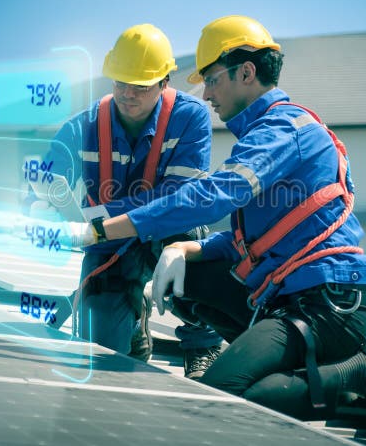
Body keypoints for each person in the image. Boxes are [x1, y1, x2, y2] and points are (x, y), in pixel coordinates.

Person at [65, 16, 366, 444]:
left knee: (221, 397)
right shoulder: (262, 132)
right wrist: (187, 251)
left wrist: (102, 230)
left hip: (327, 307)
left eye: (213, 80)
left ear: (247, 73)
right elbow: (248, 242)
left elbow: (211, 196)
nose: (206, 93)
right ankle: (278, 362)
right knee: (186, 275)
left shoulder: (282, 129)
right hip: (285, 299)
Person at [26, 23, 222, 368]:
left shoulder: (190, 118)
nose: (128, 93)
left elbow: (179, 196)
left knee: (190, 245)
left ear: (164, 83)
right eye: (120, 82)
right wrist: (39, 206)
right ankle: (131, 321)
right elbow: (43, 182)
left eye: (141, 86)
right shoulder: (80, 128)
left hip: (168, 234)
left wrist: (96, 219)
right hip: (110, 246)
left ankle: (201, 341)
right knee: (98, 352)